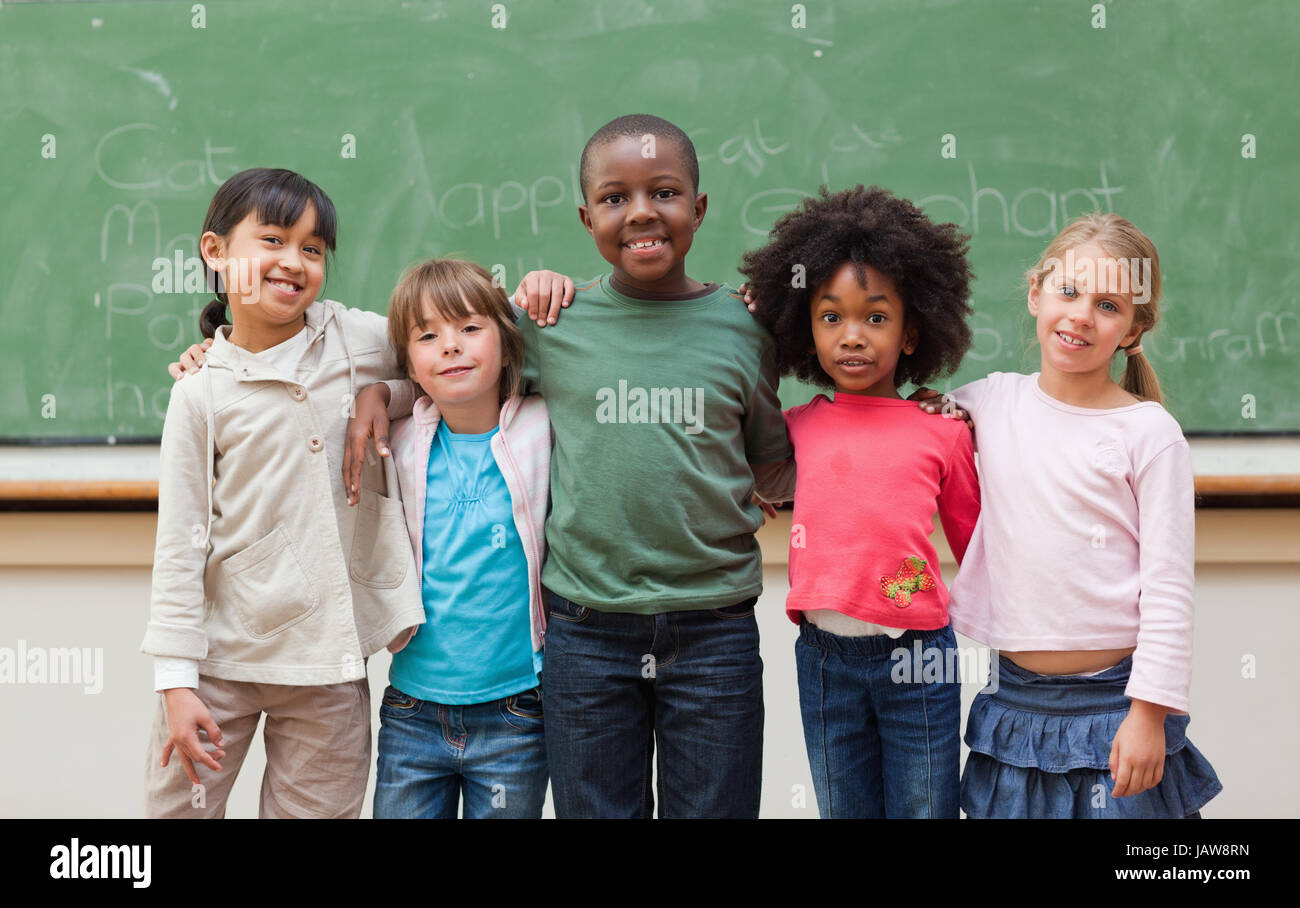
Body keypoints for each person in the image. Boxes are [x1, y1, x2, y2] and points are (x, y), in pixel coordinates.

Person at [348, 114, 796, 818]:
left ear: (699, 209)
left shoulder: (745, 328)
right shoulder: (554, 323)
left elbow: (775, 462)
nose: (642, 212)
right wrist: (381, 391)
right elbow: (460, 372)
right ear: (587, 218)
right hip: (587, 633)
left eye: (665, 193)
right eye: (615, 198)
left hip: (715, 629)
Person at [142, 168, 424, 818]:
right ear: (215, 252)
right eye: (272, 240)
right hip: (219, 659)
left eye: (312, 248)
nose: (293, 262)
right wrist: (176, 682)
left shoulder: (356, 340)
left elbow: (451, 365)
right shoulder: (200, 391)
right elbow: (179, 543)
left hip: (327, 659)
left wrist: (384, 393)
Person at [932, 213, 1223, 818]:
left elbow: (1170, 587)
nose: (1082, 315)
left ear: (1134, 330)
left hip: (1118, 712)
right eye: (1068, 291)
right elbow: (891, 427)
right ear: (1036, 291)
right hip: (1013, 708)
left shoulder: (1149, 433)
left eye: (1108, 304)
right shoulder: (985, 403)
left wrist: (1149, 714)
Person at [740, 184, 980, 817]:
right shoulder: (793, 428)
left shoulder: (944, 429)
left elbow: (977, 546)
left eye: (875, 317)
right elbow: (737, 454)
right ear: (803, 330)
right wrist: (747, 323)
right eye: (830, 316)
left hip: (919, 655)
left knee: (926, 807)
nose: (852, 335)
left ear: (910, 334)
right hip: (824, 659)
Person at [372, 258, 552, 819]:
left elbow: (573, 353)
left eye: (470, 328)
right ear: (410, 365)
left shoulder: (544, 427)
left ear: (507, 342)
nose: (450, 346)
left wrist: (546, 291)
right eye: (429, 336)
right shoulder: (399, 441)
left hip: (517, 713)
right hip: (412, 710)